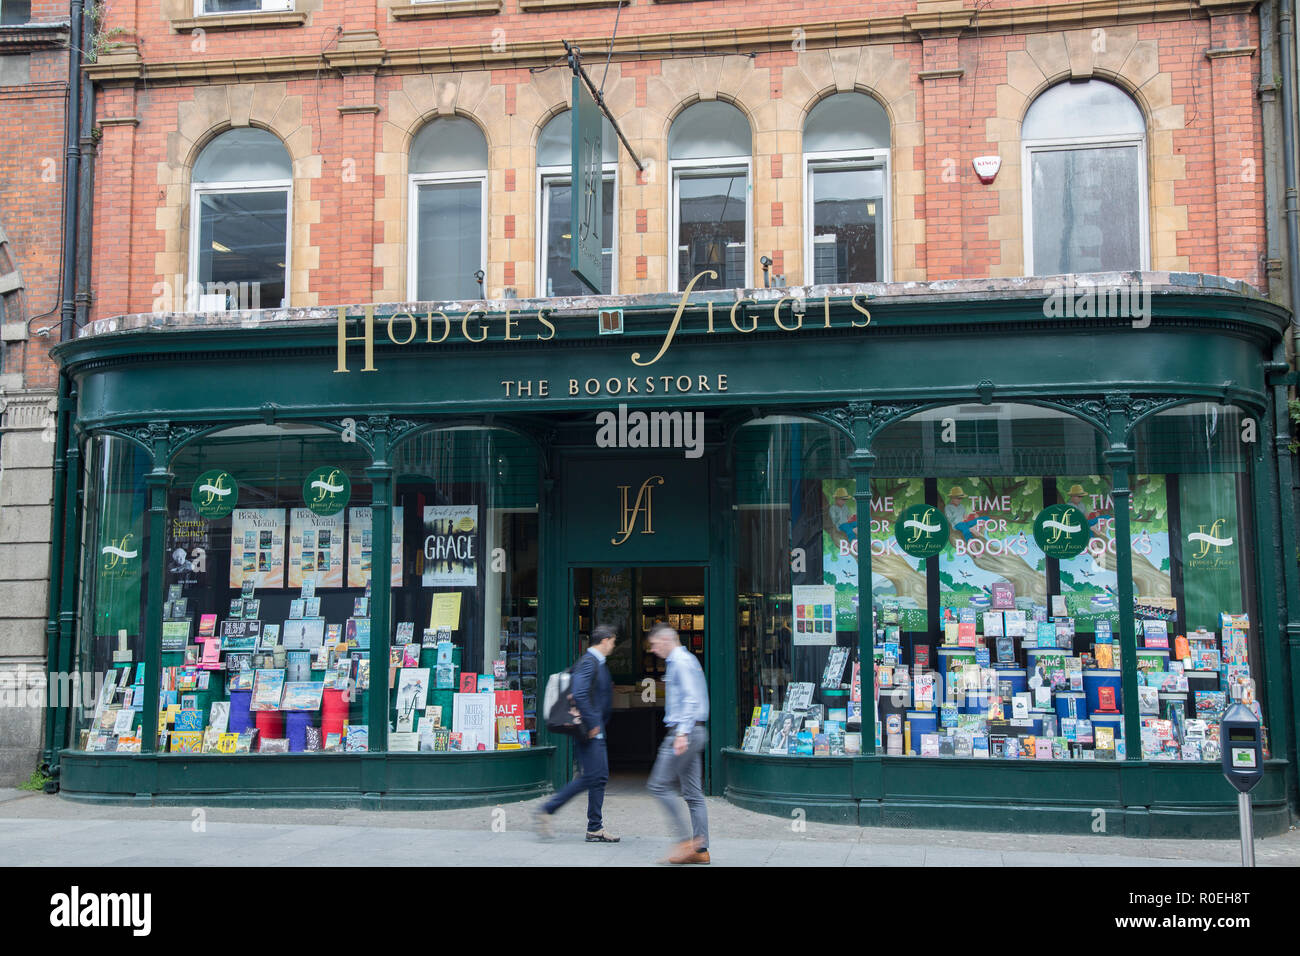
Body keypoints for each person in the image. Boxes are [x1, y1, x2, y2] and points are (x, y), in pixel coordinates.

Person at [534, 625, 619, 843]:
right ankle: (547, 809)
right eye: (612, 641)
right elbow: (579, 693)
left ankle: (595, 828)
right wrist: (592, 724)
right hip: (590, 730)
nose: (613, 646)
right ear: (605, 640)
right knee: (592, 776)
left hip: (594, 728)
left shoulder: (594, 662)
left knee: (599, 777)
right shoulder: (589, 662)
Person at [646, 623, 710, 864]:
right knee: (694, 795)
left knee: (658, 785)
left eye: (654, 644)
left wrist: (681, 734)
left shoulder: (680, 662)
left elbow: (692, 700)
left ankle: (685, 842)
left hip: (684, 732)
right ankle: (701, 850)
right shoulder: (685, 661)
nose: (653, 650)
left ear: (665, 640)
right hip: (695, 730)